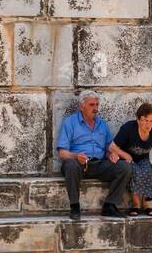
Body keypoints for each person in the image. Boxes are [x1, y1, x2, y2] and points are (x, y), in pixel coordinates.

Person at [56, 90, 133, 219]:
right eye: (91, 105)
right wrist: (76, 156)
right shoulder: (70, 123)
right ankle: (74, 206)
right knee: (70, 165)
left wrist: (111, 155)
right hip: (79, 164)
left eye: (97, 105)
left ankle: (109, 205)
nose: (95, 108)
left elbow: (109, 147)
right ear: (82, 106)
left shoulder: (102, 124)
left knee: (125, 167)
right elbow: (62, 153)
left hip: (99, 164)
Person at [114, 102, 152, 216]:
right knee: (135, 172)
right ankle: (136, 205)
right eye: (145, 120)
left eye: (151, 121)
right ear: (138, 119)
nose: (148, 124)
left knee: (148, 171)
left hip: (143, 160)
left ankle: (147, 205)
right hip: (127, 160)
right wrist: (125, 155)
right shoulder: (128, 128)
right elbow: (112, 147)